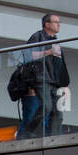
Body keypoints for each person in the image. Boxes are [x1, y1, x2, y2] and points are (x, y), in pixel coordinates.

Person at [16, 12, 69, 140]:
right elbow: (30, 55)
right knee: (46, 106)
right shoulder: (37, 36)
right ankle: (28, 131)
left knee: (58, 113)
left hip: (55, 81)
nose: (58, 25)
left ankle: (54, 138)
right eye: (56, 22)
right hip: (41, 79)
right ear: (47, 24)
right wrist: (49, 51)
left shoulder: (56, 41)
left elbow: (60, 64)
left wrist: (64, 84)